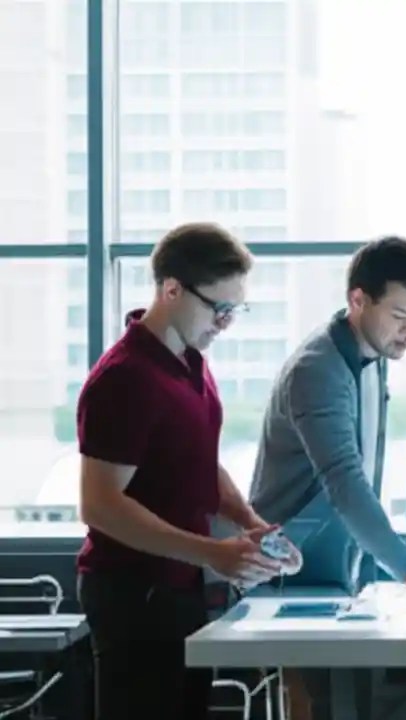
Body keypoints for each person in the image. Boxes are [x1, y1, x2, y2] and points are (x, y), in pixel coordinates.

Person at [76, 222, 286, 720]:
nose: (227, 323)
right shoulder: (124, 378)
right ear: (171, 289)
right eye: (220, 308)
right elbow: (100, 504)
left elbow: (196, 456)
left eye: (237, 309)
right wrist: (212, 551)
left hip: (180, 586)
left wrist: (248, 520)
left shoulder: (192, 360)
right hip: (133, 592)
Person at [248, 237, 406, 720]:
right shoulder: (318, 368)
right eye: (400, 317)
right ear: (357, 300)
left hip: (336, 573)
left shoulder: (371, 357)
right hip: (291, 575)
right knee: (319, 705)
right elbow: (344, 481)